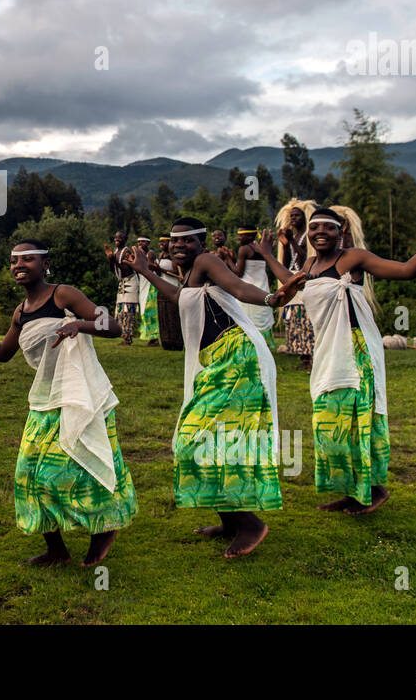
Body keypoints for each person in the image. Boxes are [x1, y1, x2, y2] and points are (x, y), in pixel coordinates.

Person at [0, 240, 137, 568]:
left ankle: (103, 531)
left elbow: (111, 325)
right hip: (44, 403)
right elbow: (2, 353)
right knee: (29, 474)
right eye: (13, 260)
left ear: (45, 263)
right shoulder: (20, 312)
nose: (18, 265)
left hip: (78, 396)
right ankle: (57, 550)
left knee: (82, 465)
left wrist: (80, 324)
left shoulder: (63, 295)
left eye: (28, 259)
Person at [127, 220, 304, 557]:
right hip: (215, 362)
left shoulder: (207, 262)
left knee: (207, 439)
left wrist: (271, 297)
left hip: (237, 359)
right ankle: (230, 521)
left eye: (187, 241)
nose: (179, 246)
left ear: (201, 242)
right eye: (175, 241)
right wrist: (145, 271)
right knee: (203, 440)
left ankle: (250, 523)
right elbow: (178, 297)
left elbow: (237, 287)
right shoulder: (190, 272)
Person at [299, 200, 416, 515]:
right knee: (330, 424)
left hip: (355, 351)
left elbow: (408, 269)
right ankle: (352, 491)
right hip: (326, 352)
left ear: (341, 231)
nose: (320, 232)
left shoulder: (353, 259)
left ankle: (373, 490)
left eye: (328, 227)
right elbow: (285, 282)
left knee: (358, 420)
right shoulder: (307, 266)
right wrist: (265, 253)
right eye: (314, 227)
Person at [275, 198, 317, 370]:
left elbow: (306, 258)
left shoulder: (308, 236)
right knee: (294, 318)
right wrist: (285, 245)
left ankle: (312, 356)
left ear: (304, 218)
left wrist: (292, 241)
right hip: (291, 277)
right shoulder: (291, 236)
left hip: (304, 278)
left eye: (297, 215)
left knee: (307, 319)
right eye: (291, 215)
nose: (293, 218)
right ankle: (303, 356)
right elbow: (285, 264)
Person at [230, 228, 277, 350]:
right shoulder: (261, 248)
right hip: (262, 285)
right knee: (260, 313)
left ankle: (248, 344)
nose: (239, 238)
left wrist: (227, 260)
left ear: (250, 236)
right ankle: (264, 344)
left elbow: (238, 272)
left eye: (242, 236)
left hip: (248, 287)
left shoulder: (244, 249)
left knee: (246, 316)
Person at [103, 230, 139, 345]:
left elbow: (127, 269)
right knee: (120, 309)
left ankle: (128, 337)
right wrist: (110, 260)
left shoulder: (126, 251)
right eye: (115, 238)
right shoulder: (116, 251)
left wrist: (114, 261)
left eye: (120, 238)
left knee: (128, 309)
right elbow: (113, 270)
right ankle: (123, 335)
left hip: (130, 282)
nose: (116, 240)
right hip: (122, 283)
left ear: (125, 240)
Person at [154, 234, 185, 351]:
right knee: (164, 315)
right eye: (160, 242)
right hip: (162, 288)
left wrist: (159, 269)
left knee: (173, 316)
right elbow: (160, 274)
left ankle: (176, 342)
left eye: (164, 242)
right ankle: (166, 342)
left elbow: (178, 273)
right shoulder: (161, 255)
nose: (161, 244)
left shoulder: (174, 256)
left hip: (173, 288)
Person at [135, 236, 160, 346]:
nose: (140, 243)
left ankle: (154, 337)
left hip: (151, 286)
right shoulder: (139, 255)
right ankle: (151, 337)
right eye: (138, 242)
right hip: (143, 284)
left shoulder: (150, 253)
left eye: (143, 241)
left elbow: (149, 267)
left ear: (148, 243)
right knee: (144, 311)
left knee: (150, 311)